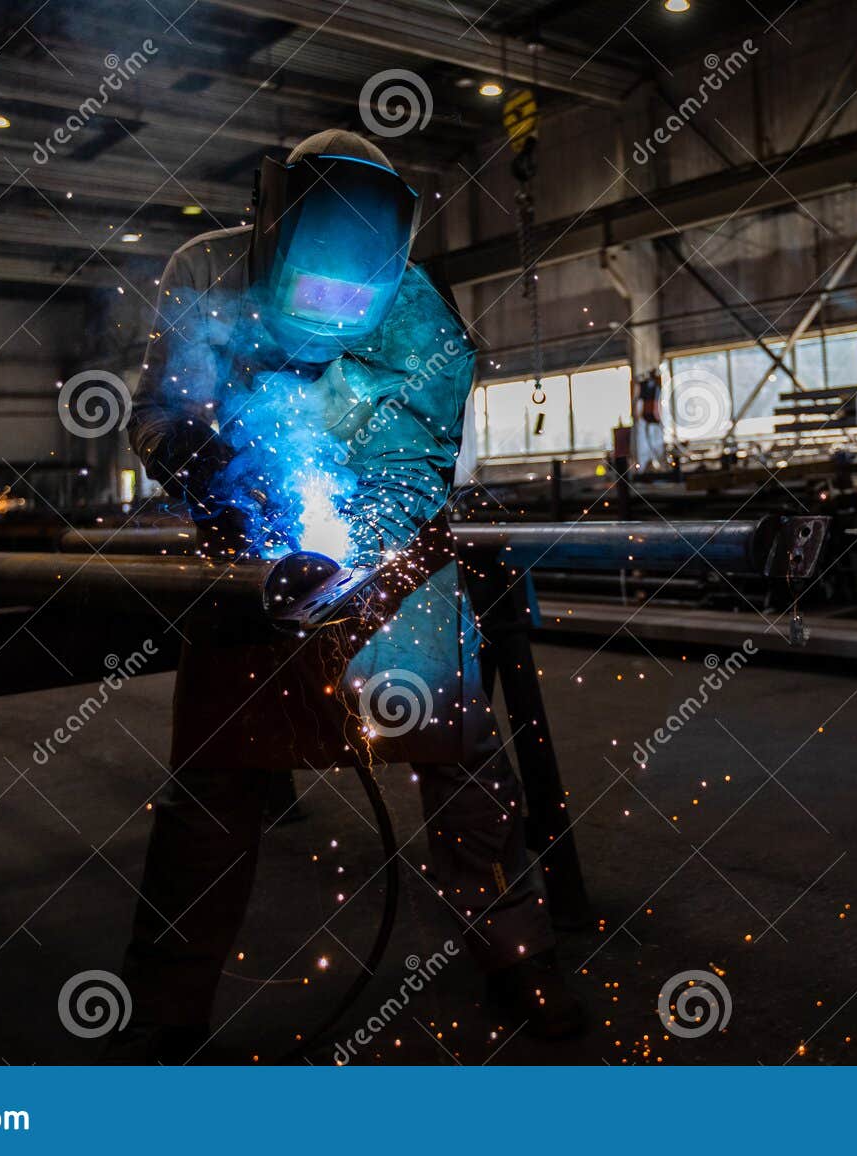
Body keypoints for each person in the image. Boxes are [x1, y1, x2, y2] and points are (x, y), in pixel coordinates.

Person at [110, 130, 585, 1063]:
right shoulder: (204, 269)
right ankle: (166, 1008)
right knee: (214, 789)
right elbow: (153, 415)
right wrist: (196, 455)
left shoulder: (417, 306)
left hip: (389, 569)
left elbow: (425, 451)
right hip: (251, 571)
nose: (328, 321)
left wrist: (379, 542)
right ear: (273, 226)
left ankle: (514, 950)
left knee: (465, 765)